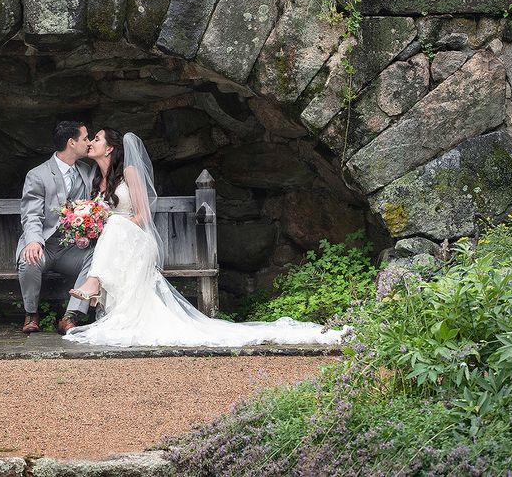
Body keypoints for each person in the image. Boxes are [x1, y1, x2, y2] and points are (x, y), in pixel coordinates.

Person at [64, 128, 346, 348]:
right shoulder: (96, 179)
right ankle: (97, 286)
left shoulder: (129, 172)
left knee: (115, 224)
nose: (91, 143)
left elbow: (143, 216)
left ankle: (93, 282)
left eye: (96, 139)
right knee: (111, 225)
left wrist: (116, 225)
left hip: (136, 240)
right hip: (116, 245)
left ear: (109, 148)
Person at [16, 121, 98, 334]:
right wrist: (34, 241)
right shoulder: (38, 174)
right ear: (72, 142)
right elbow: (31, 214)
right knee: (28, 259)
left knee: (97, 257)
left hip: (72, 248)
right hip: (45, 244)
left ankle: (71, 316)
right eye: (85, 138)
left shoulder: (86, 171)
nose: (89, 142)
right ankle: (31, 314)